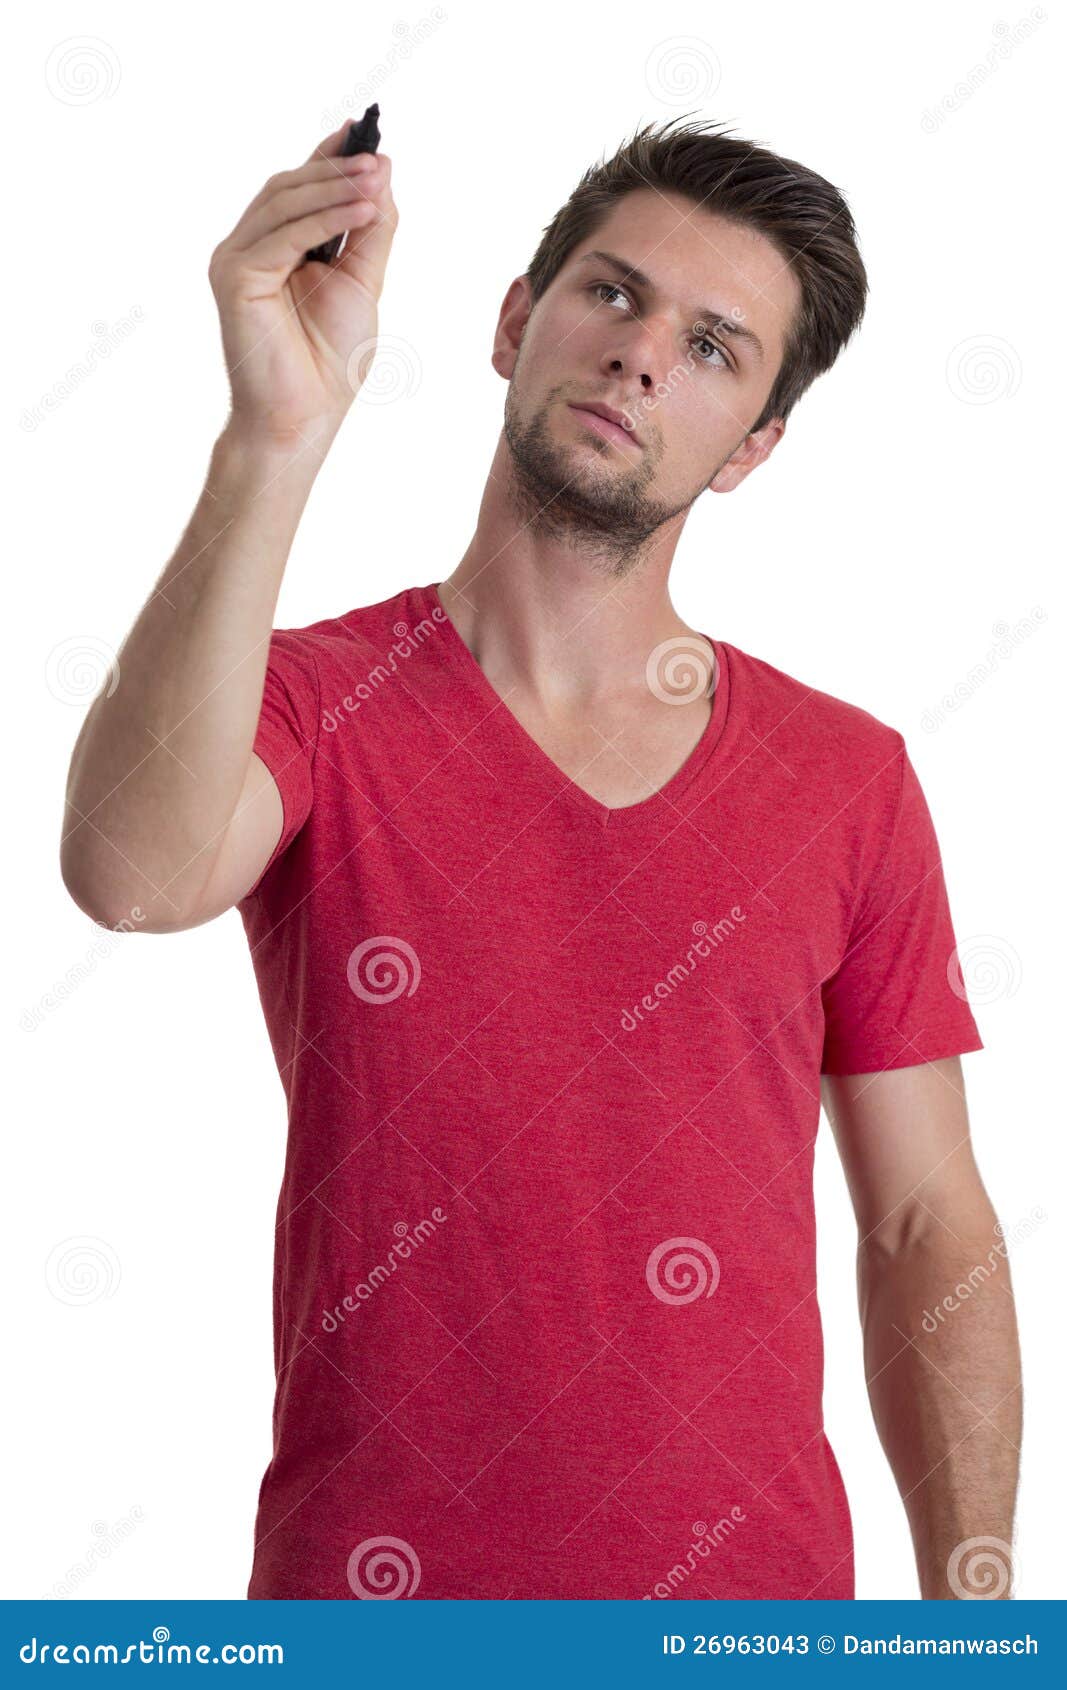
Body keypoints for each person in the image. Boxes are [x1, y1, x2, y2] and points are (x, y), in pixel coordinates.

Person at [60, 115, 1021, 1601]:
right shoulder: (316, 701)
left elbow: (921, 1215)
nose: (642, 354)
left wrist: (974, 1606)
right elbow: (132, 873)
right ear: (516, 322)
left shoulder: (850, 779)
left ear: (756, 446)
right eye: (613, 293)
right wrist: (273, 440)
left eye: (715, 348)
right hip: (369, 1617)